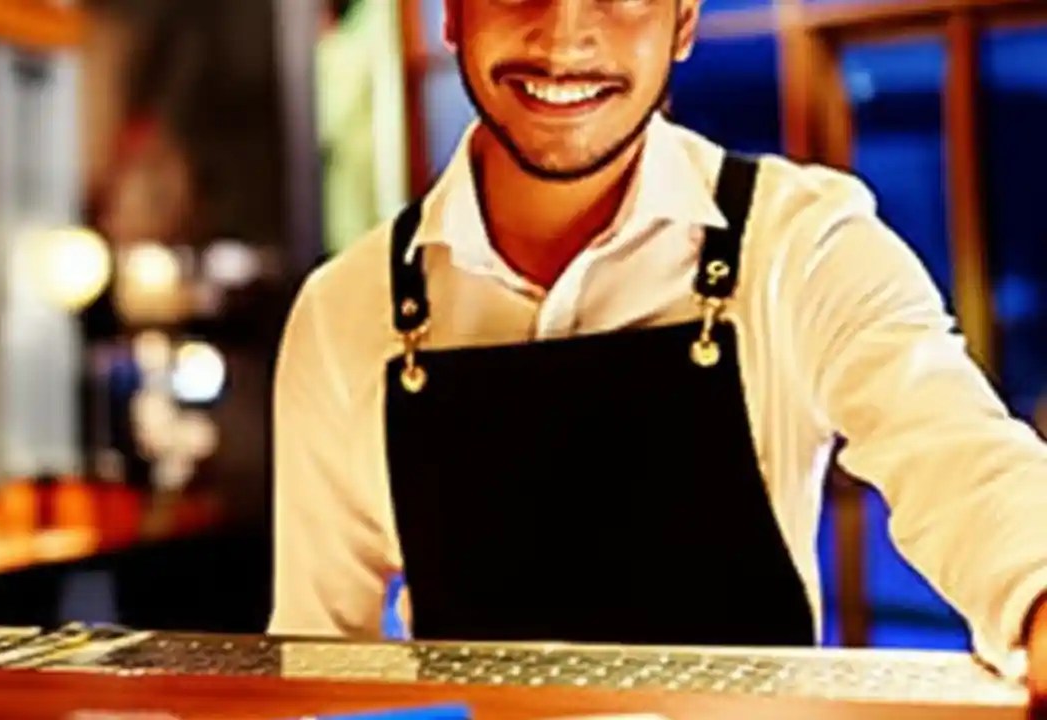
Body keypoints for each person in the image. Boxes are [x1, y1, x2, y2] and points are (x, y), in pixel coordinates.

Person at [269, 0, 1047, 705]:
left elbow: (963, 463)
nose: (564, 35)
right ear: (452, 14)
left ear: (684, 21)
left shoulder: (801, 245)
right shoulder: (346, 313)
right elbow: (314, 666)